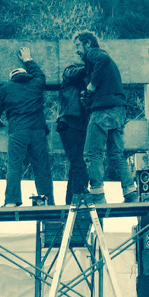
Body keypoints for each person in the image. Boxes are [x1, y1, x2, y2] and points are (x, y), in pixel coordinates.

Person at [73, 31, 137, 204]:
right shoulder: (99, 61)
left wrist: (92, 85)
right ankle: (131, 193)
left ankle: (98, 196)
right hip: (118, 110)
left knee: (92, 153)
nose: (77, 51)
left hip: (104, 110)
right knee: (116, 154)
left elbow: (103, 60)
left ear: (87, 43)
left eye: (78, 46)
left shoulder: (95, 53)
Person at [0, 46, 54, 207]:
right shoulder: (36, 83)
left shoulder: (6, 88)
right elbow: (41, 74)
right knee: (42, 168)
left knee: (15, 166)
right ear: (26, 74)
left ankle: (12, 200)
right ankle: (46, 201)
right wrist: (28, 59)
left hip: (18, 131)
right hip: (38, 132)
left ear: (12, 77)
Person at [57, 60, 90, 205]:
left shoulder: (83, 84)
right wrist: (89, 65)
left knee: (77, 163)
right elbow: (71, 73)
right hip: (69, 122)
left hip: (80, 125)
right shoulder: (70, 71)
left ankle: (72, 199)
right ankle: (78, 194)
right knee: (78, 163)